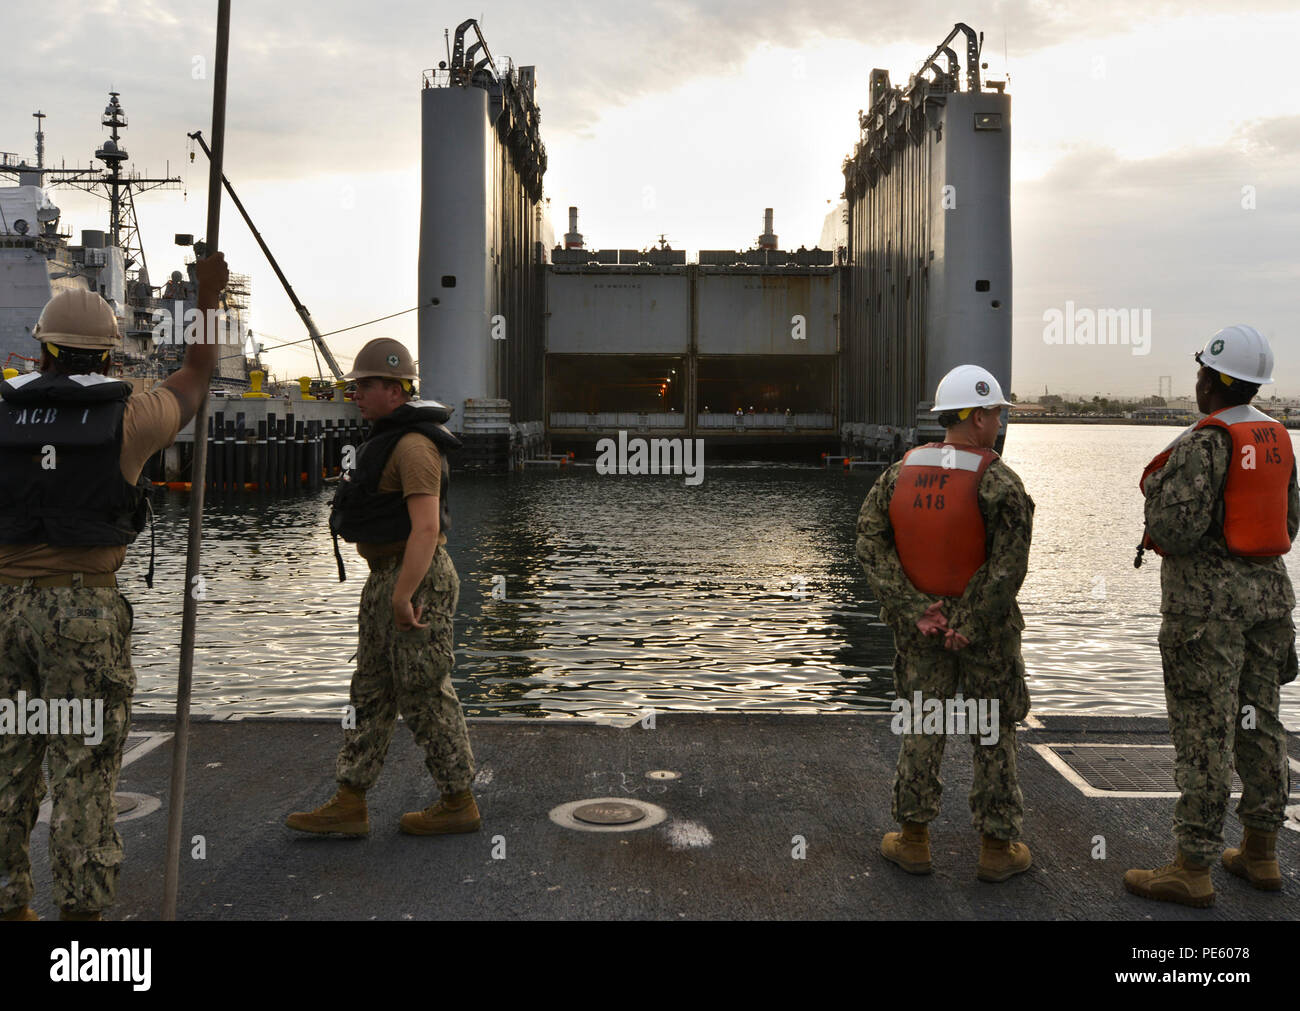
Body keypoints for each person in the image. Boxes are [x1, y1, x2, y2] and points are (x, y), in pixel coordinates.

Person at [0, 254, 227, 921]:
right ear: (110, 356)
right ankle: (81, 918)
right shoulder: (128, 419)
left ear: (42, 349)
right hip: (81, 609)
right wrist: (207, 296)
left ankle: (11, 905)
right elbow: (196, 375)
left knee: (9, 764)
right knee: (84, 768)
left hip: (5, 609)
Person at [1125, 325, 1296, 907]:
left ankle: (1192, 866)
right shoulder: (1276, 438)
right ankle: (1261, 851)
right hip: (1270, 607)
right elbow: (1289, 523)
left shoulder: (1203, 445)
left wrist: (1154, 493)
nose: (1196, 380)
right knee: (1261, 723)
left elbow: (1175, 528)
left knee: (1205, 733)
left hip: (1207, 615)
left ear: (1214, 381)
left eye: (1201, 370)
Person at [286, 337, 479, 838]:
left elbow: (426, 528)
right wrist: (388, 590)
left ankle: (458, 799)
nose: (357, 393)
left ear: (396, 390)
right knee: (370, 690)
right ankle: (350, 800)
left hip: (415, 578)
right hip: (386, 577)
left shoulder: (415, 447)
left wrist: (402, 595)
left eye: (367, 385)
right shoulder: (386, 440)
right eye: (357, 386)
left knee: (423, 690)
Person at [855, 364, 1035, 882]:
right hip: (987, 636)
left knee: (923, 725)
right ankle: (997, 850)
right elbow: (1008, 566)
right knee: (993, 730)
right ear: (977, 417)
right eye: (997, 412)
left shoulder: (898, 473)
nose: (999, 421)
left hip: (922, 632)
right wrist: (971, 623)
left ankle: (913, 841)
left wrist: (916, 608)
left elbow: (870, 542)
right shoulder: (999, 482)